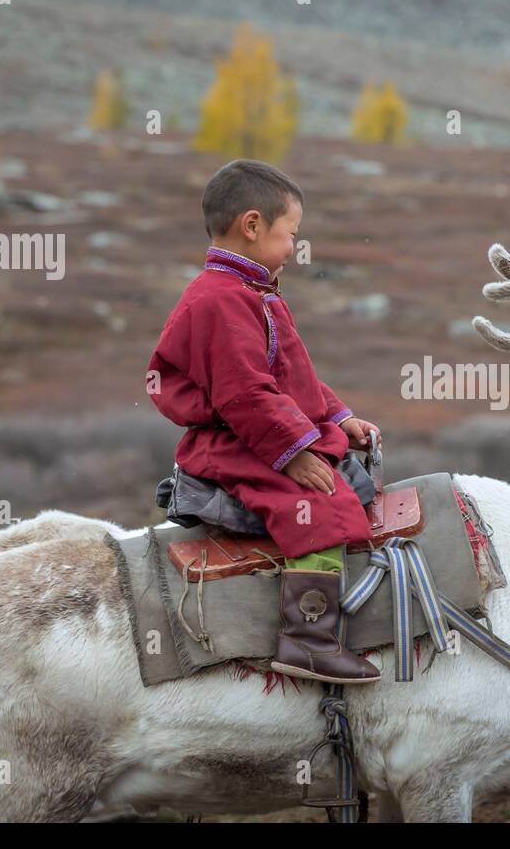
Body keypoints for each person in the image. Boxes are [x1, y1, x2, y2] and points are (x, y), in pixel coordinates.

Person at [147, 159, 381, 684]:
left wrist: (338, 417)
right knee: (320, 506)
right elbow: (244, 393)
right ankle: (308, 640)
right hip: (234, 442)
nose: (295, 248)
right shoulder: (219, 301)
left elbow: (293, 377)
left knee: (340, 475)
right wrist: (292, 455)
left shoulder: (255, 291)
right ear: (252, 226)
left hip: (259, 432)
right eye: (291, 234)